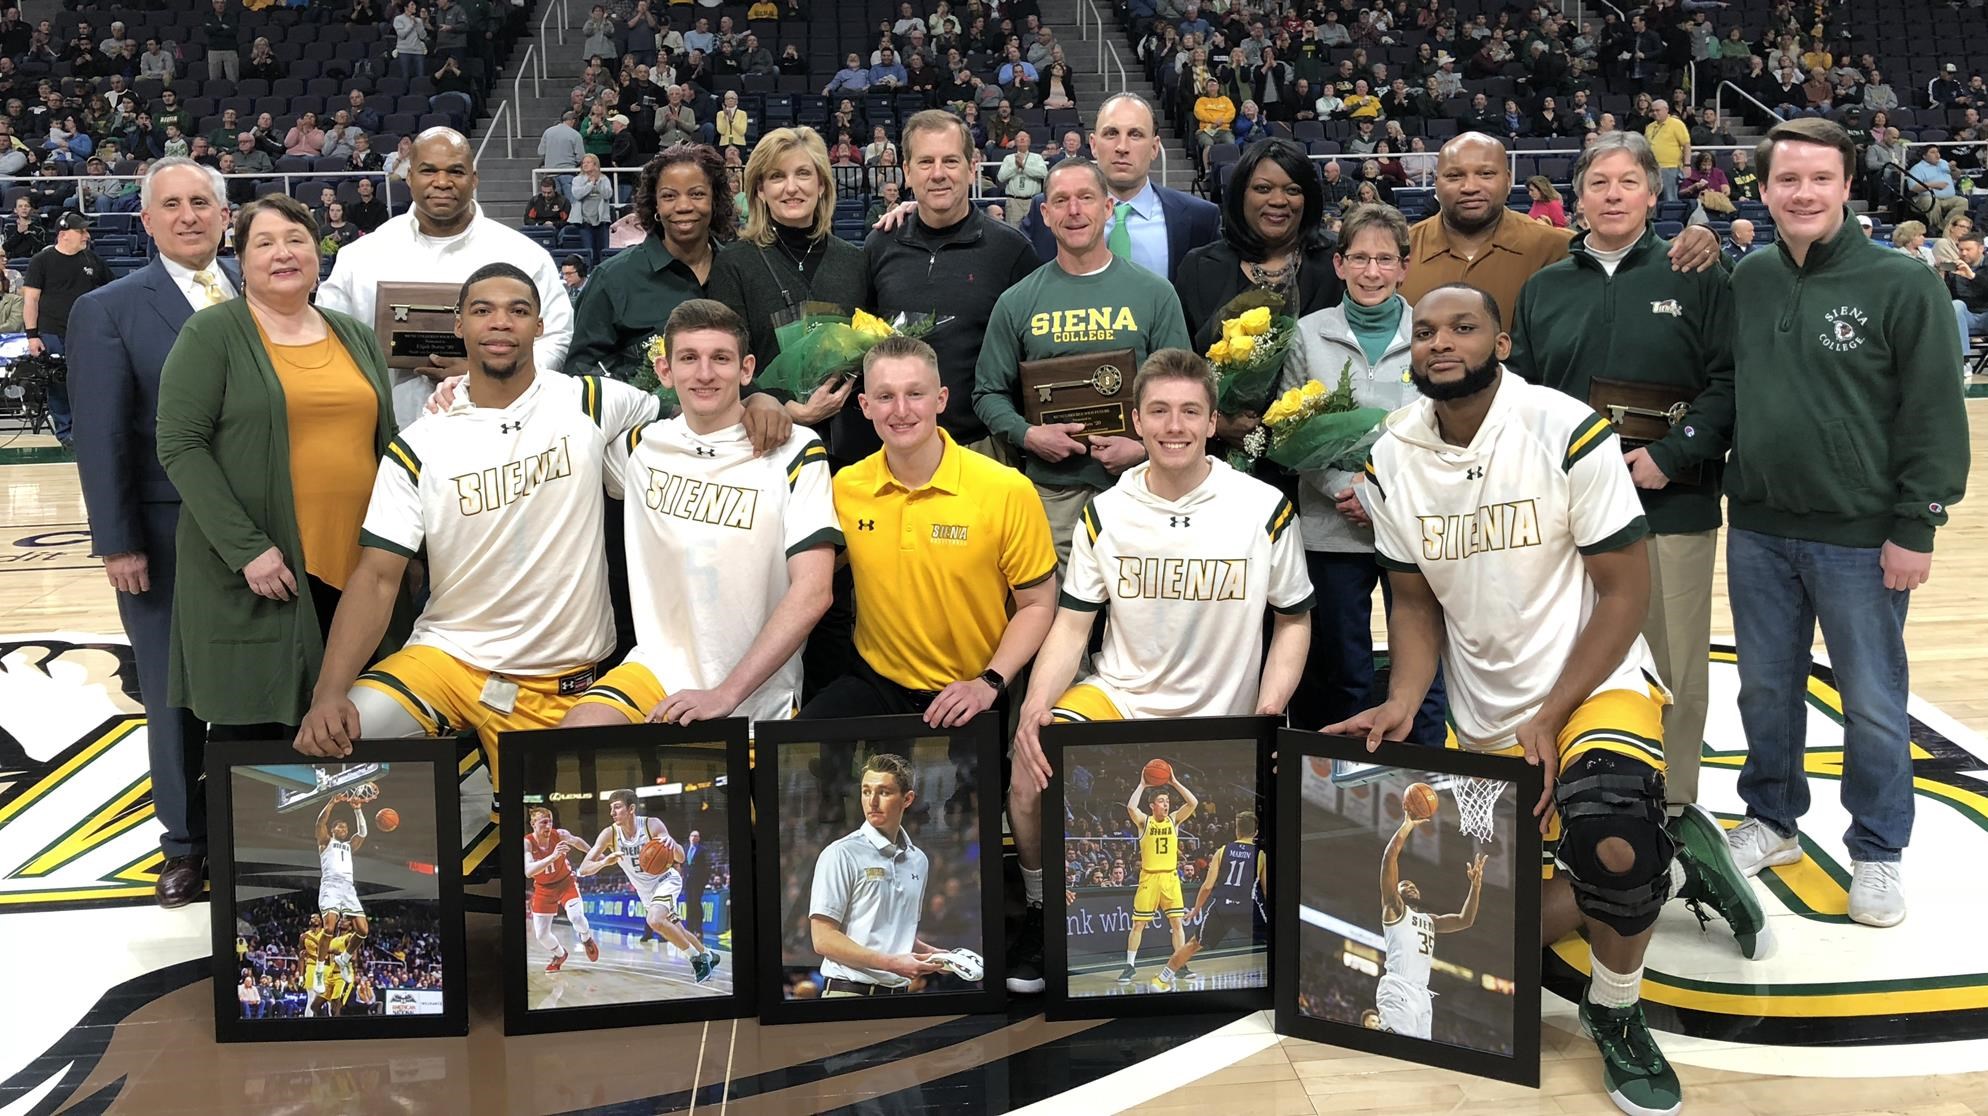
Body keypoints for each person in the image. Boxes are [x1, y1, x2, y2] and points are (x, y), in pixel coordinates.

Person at [1329, 283, 1760, 1116]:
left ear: (1502, 344)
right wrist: (1402, 698)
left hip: (1593, 681)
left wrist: (1556, 713)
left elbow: (1625, 593)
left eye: (1464, 326)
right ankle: (1676, 870)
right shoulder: (1389, 455)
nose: (1440, 343)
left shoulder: (1563, 428)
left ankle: (1619, 1009)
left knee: (1610, 842)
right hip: (1485, 707)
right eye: (1424, 332)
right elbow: (1413, 603)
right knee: (1472, 936)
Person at [1504, 136, 1761, 921]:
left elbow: (1728, 380)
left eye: (1628, 183)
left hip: (1668, 503)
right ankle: (1582, 805)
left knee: (1673, 664)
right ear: (1575, 197)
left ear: (1655, 194)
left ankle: (1674, 816)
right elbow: (1526, 400)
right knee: (1567, 657)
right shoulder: (1545, 288)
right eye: (1598, 183)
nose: (1612, 195)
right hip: (1566, 516)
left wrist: (1673, 456)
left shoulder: (1695, 272)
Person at [1722, 118, 1970, 928]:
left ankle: (1877, 853)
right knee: (1765, 688)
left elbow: (1934, 412)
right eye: (1787, 180)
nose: (1802, 193)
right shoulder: (1750, 276)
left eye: (1819, 179)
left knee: (1870, 700)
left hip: (1864, 536)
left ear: (1846, 185)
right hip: (1758, 526)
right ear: (1764, 190)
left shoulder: (1904, 284)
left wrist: (1918, 524)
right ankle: (1771, 821)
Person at [289, 265, 659, 793]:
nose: (500, 323)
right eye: (483, 310)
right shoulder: (420, 443)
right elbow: (376, 578)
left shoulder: (592, 402)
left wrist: (760, 400)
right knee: (340, 739)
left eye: (518, 310)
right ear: (459, 325)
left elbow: (692, 419)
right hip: (448, 660)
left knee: (539, 858)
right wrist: (329, 693)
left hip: (560, 678)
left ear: (540, 326)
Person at [802, 336, 1057, 990]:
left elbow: (1037, 604)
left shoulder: (1003, 489)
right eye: (884, 396)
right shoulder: (845, 487)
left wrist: (990, 682)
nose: (901, 408)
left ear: (941, 399)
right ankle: (822, 931)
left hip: (972, 687)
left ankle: (1035, 912)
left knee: (999, 811)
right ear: (863, 406)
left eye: (916, 393)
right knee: (799, 750)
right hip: (877, 678)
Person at [156, 194, 407, 741]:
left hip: (362, 567)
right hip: (267, 571)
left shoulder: (355, 335)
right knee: (261, 736)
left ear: (318, 256)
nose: (283, 254)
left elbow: (383, 442)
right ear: (240, 261)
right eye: (264, 243)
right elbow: (179, 445)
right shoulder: (212, 334)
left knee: (361, 733)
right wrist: (247, 549)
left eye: (296, 240)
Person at [69, 159, 236, 906]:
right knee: (171, 694)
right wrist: (118, 540)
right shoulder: (109, 308)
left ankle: (251, 828)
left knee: (256, 684)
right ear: (146, 221)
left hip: (265, 528)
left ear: (225, 214)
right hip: (166, 532)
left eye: (202, 202)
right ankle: (185, 845)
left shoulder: (266, 286)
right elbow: (100, 435)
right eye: (171, 205)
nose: (189, 215)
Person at [563, 299, 837, 727]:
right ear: (665, 371)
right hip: (653, 671)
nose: (705, 373)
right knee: (577, 740)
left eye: (721, 359)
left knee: (720, 795)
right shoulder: (638, 447)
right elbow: (539, 413)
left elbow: (814, 592)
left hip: (754, 691)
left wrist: (724, 694)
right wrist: (460, 392)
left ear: (746, 369)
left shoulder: (795, 450)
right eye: (689, 358)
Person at [975, 159, 1193, 576]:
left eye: (1086, 198)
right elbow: (988, 392)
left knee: (1139, 616)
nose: (1074, 210)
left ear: (1107, 208)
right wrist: (1029, 434)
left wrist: (1145, 449)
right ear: (1045, 213)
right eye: (1061, 200)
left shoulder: (1154, 293)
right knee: (1055, 619)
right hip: (1053, 490)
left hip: (1142, 485)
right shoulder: (1018, 301)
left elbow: (1184, 393)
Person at [1278, 204, 1444, 741]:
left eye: (1384, 259)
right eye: (1360, 258)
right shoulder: (1307, 335)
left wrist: (1383, 494)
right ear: (1340, 264)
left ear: (1403, 266)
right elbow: (1288, 431)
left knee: (1421, 670)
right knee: (1341, 671)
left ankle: (1426, 775)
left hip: (1412, 529)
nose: (1372, 271)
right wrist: (1343, 487)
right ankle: (1339, 791)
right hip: (1331, 529)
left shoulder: (1430, 333)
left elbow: (1444, 433)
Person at [319, 128, 573, 428]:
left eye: (456, 171)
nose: (442, 182)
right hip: (387, 432)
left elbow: (555, 335)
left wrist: (489, 372)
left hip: (499, 432)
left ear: (474, 179)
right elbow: (327, 342)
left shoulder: (523, 256)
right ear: (410, 176)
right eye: (428, 171)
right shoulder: (361, 257)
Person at [1398, 132, 1720, 330]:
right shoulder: (1399, 254)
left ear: (1509, 181)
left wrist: (1705, 237)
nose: (1470, 186)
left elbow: (1623, 254)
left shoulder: (1559, 247)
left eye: (1485, 173)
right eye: (1454, 176)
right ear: (1435, 183)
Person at [864, 110, 1038, 459]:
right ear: (907, 172)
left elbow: (1031, 357)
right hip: (895, 447)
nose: (939, 173)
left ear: (971, 168)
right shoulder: (880, 244)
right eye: (925, 162)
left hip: (984, 447)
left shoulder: (1011, 251)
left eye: (951, 161)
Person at [706, 127, 870, 452]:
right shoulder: (734, 264)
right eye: (777, 177)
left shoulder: (855, 261)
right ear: (761, 190)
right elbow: (723, 360)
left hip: (849, 445)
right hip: (762, 445)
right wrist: (788, 408)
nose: (791, 187)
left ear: (822, 184)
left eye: (803, 174)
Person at [569, 144, 731, 381]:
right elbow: (582, 372)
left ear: (715, 200)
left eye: (697, 194)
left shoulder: (739, 270)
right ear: (655, 204)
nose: (683, 206)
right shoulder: (612, 278)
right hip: (644, 418)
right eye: (669, 196)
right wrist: (654, 406)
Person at [1017, 94, 1218, 283]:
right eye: (1111, 133)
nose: (1122, 147)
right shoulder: (1049, 212)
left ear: (1155, 148)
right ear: (1093, 145)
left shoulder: (1199, 218)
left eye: (1135, 134)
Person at [809, 754, 952, 995]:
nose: (872, 801)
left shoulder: (919, 861)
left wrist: (934, 955)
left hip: (899, 997)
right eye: (866, 791)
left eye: (884, 792)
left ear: (907, 799)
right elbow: (823, 939)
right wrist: (893, 964)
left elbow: (894, 934)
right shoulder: (840, 854)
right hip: (847, 995)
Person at [577, 789, 718, 982]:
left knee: (654, 920)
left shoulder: (651, 825)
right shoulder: (609, 834)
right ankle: (708, 954)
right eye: (611, 808)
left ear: (631, 809)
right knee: (678, 930)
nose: (612, 813)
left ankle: (696, 959)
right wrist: (604, 862)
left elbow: (681, 857)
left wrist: (672, 844)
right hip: (646, 892)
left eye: (617, 807)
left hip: (666, 880)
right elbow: (584, 868)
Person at [1371, 812, 1486, 1036]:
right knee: (1399, 1053)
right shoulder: (1394, 909)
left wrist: (1476, 887)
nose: (1411, 886)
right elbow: (1389, 858)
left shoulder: (1430, 921)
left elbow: (1465, 920)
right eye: (1404, 885)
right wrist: (1407, 825)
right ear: (1397, 892)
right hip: (1398, 986)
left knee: (1421, 1058)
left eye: (1413, 885)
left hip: (1422, 995)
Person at [1148, 810, 1265, 991]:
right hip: (1247, 909)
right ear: (1256, 832)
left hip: (1221, 908)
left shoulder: (1223, 851)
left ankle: (1161, 979)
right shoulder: (1261, 855)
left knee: (1194, 943)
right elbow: (1265, 890)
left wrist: (1196, 909)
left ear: (1236, 830)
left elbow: (1208, 886)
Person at [22, 211, 109, 447]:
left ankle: (89, 427)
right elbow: (30, 300)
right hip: (52, 332)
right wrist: (32, 336)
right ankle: (65, 432)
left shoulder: (92, 260)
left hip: (87, 333)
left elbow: (111, 292)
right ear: (63, 235)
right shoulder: (42, 261)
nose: (87, 235)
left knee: (90, 381)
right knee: (57, 382)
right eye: (81, 231)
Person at [522, 806, 598, 972]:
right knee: (541, 935)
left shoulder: (560, 835)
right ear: (533, 824)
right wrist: (553, 856)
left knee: (576, 916)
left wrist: (595, 854)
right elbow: (528, 871)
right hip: (543, 888)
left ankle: (586, 938)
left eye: (549, 822)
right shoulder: (527, 842)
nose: (548, 826)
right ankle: (560, 954)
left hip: (565, 882)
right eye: (543, 823)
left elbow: (577, 841)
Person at [316, 792, 371, 937]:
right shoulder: (326, 842)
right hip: (331, 884)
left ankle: (344, 958)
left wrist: (357, 809)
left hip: (347, 886)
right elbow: (320, 823)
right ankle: (322, 959)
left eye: (346, 828)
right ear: (333, 830)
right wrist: (332, 802)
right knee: (329, 928)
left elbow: (363, 833)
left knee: (362, 930)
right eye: (340, 827)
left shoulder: (349, 846)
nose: (344, 830)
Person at [569, 153, 615, 260]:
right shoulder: (577, 180)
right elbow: (577, 194)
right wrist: (590, 184)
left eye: (588, 162)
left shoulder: (604, 179)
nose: (585, 165)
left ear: (595, 164)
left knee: (603, 251)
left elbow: (607, 194)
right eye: (583, 163)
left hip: (601, 220)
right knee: (588, 251)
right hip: (584, 221)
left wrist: (597, 182)